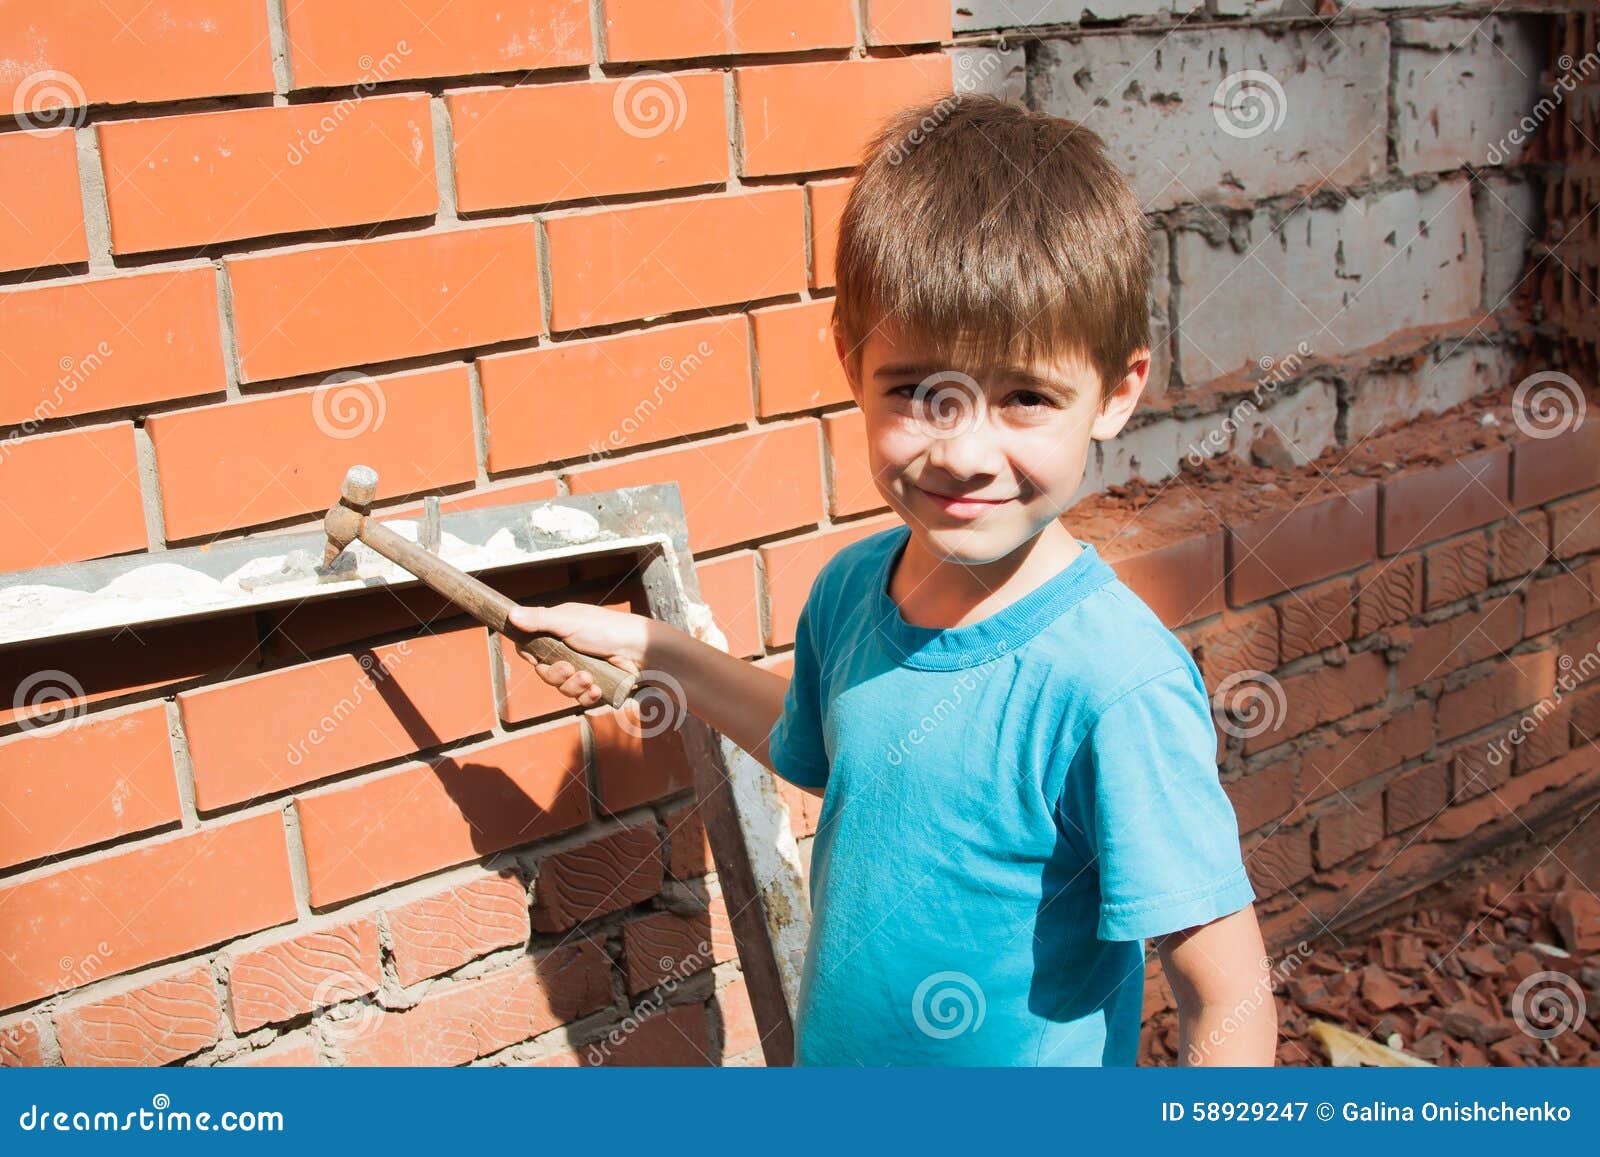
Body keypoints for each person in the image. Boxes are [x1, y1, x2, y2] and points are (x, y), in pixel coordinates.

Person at [508, 93, 1275, 1066]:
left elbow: (1227, 994)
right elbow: (818, 743)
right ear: (849, 359)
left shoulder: (1113, 685)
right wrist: (654, 652)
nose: (963, 453)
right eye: (918, 392)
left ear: (1115, 393)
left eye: (1025, 397)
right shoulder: (849, 591)